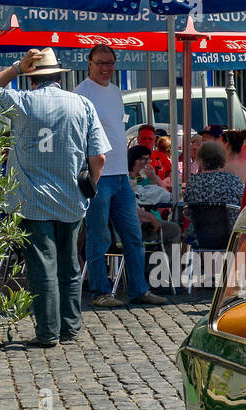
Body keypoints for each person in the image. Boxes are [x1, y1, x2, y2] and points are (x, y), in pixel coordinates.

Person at [0, 48, 107, 348]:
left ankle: (47, 332)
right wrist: (89, 189)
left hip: (32, 201)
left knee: (42, 268)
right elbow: (98, 158)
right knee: (69, 267)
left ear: (33, 78)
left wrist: (15, 69)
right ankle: (70, 329)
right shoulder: (82, 104)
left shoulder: (23, 103)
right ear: (59, 75)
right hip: (72, 200)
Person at [74, 43, 165, 309]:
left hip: (120, 175)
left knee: (133, 234)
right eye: (101, 63)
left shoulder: (115, 91)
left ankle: (139, 289)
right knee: (99, 236)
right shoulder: (81, 93)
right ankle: (101, 291)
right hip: (98, 175)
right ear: (89, 64)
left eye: (110, 63)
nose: (106, 68)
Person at [183, 140, 243, 214]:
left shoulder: (193, 182)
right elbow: (243, 204)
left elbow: (186, 210)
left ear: (200, 159)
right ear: (221, 158)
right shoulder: (233, 180)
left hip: (199, 225)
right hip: (229, 224)